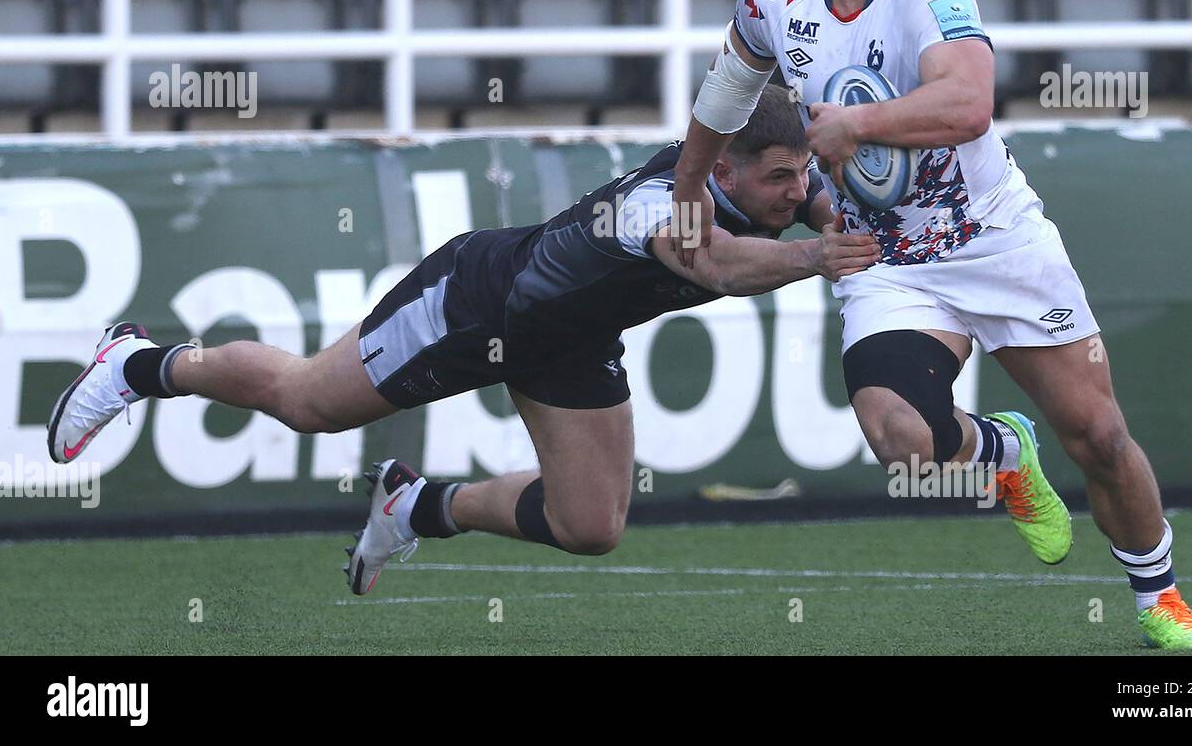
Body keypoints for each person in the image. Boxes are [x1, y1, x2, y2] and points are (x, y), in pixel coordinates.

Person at [667, 0, 1192, 650]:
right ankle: (1002, 450)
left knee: (1099, 436)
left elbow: (968, 105)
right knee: (901, 439)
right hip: (886, 256)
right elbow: (730, 86)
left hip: (993, 235)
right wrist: (687, 195)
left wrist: (857, 123)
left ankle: (1160, 599)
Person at [46, 86, 878, 596]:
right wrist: (819, 254)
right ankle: (140, 364)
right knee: (306, 404)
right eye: (779, 177)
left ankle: (416, 504)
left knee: (591, 524)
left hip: (570, 342)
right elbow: (719, 265)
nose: (796, 189)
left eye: (801, 172)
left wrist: (827, 209)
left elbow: (800, 195)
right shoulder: (658, 208)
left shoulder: (757, 172)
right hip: (477, 305)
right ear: (721, 172)